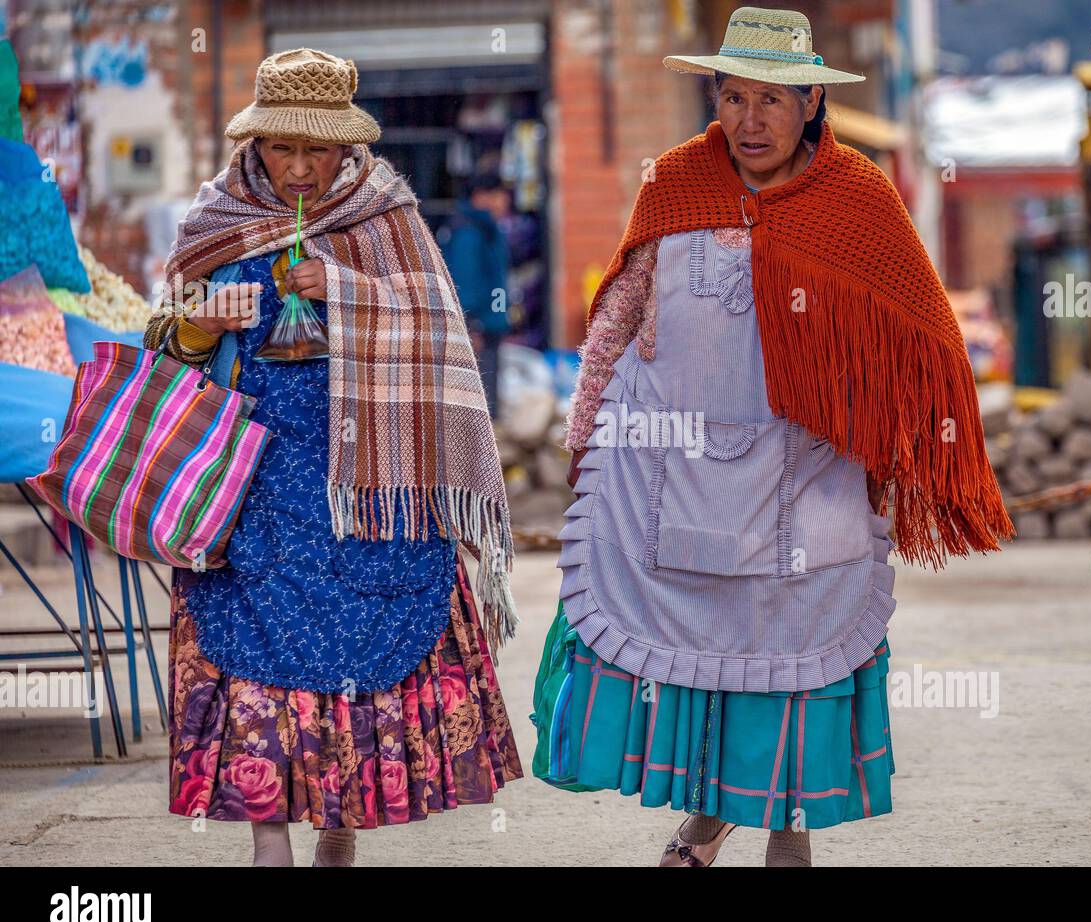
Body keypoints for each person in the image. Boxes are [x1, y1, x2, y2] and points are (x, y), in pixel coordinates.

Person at [531, 6, 1014, 867]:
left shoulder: (857, 196)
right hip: (676, 468)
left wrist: (907, 445)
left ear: (809, 106)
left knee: (794, 645)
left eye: (771, 101)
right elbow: (621, 307)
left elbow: (922, 331)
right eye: (732, 97)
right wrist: (587, 432)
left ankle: (786, 835)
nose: (749, 121)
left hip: (806, 470)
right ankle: (706, 822)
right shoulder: (676, 181)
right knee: (709, 654)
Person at [145, 48, 522, 866]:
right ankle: (269, 838)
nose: (302, 167)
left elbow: (436, 331)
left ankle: (338, 826)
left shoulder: (386, 217)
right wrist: (200, 325)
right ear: (257, 143)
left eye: (319, 151)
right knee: (252, 660)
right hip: (249, 484)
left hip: (367, 487)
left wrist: (345, 291)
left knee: (356, 658)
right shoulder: (216, 217)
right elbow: (164, 349)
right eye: (285, 148)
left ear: (349, 149)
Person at [445, 172, 513, 419]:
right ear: (479, 197)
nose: (503, 202)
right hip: (478, 330)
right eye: (497, 195)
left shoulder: (488, 230)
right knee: (478, 404)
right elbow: (466, 282)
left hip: (491, 325)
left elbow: (496, 280)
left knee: (490, 399)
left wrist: (501, 314)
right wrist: (471, 325)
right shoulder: (469, 233)